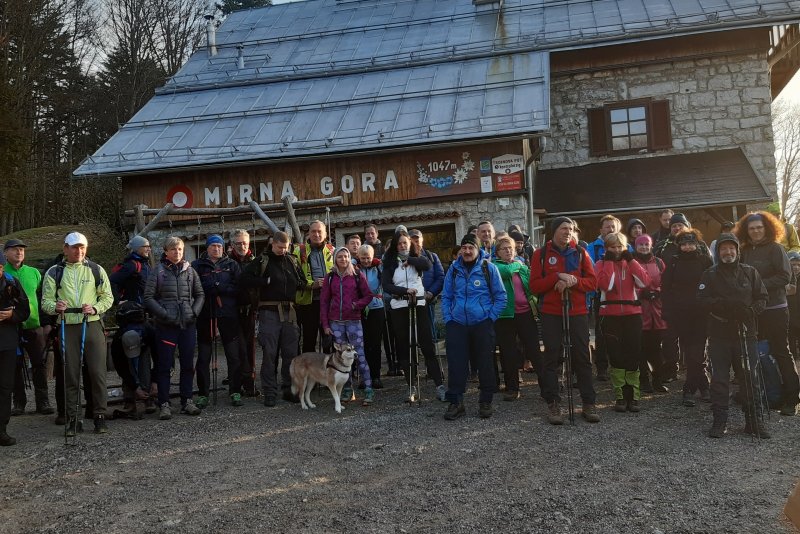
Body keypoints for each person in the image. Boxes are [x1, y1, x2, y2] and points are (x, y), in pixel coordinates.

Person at [697, 233, 770, 438]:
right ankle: (720, 421)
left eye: (731, 248)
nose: (727, 252)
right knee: (720, 379)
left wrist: (751, 310)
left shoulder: (750, 272)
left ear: (737, 251)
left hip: (746, 334)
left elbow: (763, 297)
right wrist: (721, 305)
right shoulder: (709, 274)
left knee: (749, 377)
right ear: (717, 252)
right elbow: (701, 300)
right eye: (723, 249)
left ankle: (753, 421)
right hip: (719, 334)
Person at [529, 217, 601, 424]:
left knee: (582, 357)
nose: (568, 232)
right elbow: (534, 286)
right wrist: (557, 277)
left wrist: (573, 281)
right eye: (563, 228)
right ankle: (553, 403)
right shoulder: (540, 255)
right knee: (552, 357)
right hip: (551, 313)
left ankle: (589, 402)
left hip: (577, 312)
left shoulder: (580, 252)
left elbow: (593, 283)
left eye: (570, 229)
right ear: (554, 231)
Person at [41, 232, 114, 435]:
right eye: (74, 247)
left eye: (82, 247)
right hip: (67, 325)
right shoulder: (54, 272)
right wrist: (56, 307)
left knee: (97, 373)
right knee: (70, 374)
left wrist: (96, 308)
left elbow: (108, 297)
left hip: (91, 324)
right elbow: (45, 302)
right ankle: (73, 418)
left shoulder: (96, 270)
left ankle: (99, 415)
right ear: (65, 248)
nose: (79, 251)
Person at [735, 211, 799, 415]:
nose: (755, 231)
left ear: (767, 228)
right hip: (755, 310)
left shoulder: (776, 249)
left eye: (759, 227)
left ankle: (791, 398)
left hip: (776, 309)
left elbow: (784, 277)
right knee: (758, 353)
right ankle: (767, 393)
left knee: (781, 351)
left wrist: (758, 285)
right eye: (752, 228)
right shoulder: (743, 250)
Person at [441, 233, 506, 420]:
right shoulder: (453, 270)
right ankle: (456, 403)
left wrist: (490, 318)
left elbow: (501, 297)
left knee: (485, 364)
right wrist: (449, 319)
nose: (467, 251)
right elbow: (446, 297)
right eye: (464, 248)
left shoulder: (489, 268)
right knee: (456, 364)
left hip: (482, 324)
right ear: (460, 250)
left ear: (478, 250)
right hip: (457, 324)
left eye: (471, 248)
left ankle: (485, 401)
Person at [240, 231, 307, 407]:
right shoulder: (262, 260)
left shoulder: (292, 260)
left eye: (286, 248)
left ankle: (289, 389)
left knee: (291, 354)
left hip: (290, 311)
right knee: (270, 354)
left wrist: (301, 284)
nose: (283, 251)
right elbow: (244, 279)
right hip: (269, 311)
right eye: (280, 247)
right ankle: (270, 392)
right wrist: (265, 281)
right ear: (273, 244)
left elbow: (301, 280)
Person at [144, 237, 205, 420]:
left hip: (187, 325)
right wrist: (163, 314)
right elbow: (148, 297)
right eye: (173, 250)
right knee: (164, 366)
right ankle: (164, 403)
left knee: (187, 364)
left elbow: (200, 294)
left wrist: (194, 313)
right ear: (166, 251)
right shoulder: (158, 272)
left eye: (180, 249)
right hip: (166, 327)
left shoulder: (191, 271)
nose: (177, 252)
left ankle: (187, 401)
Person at [382, 229, 446, 402]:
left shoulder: (418, 258)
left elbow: (427, 265)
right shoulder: (389, 262)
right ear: (395, 246)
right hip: (399, 305)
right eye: (400, 243)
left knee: (427, 345)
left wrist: (409, 260)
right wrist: (404, 290)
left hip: (419, 304)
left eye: (405, 243)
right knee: (404, 346)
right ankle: (411, 386)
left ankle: (439, 385)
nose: (402, 246)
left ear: (410, 244)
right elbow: (386, 285)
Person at [595, 233, 650, 412]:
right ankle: (620, 395)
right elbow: (607, 285)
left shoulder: (631, 263)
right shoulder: (600, 264)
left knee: (633, 354)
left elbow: (644, 282)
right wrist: (610, 262)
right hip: (610, 315)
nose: (617, 250)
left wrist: (632, 261)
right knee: (616, 356)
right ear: (607, 249)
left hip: (632, 315)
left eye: (620, 247)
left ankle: (633, 396)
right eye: (613, 247)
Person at [654, 212, 711, 383]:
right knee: (672, 339)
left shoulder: (701, 249)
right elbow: (661, 275)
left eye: (680, 225)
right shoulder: (663, 247)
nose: (677, 228)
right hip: (675, 302)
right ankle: (674, 369)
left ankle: (697, 375)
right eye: (673, 226)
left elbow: (710, 272)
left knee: (697, 342)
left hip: (699, 304)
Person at [192, 235, 244, 408]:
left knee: (233, 355)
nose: (216, 249)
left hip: (228, 314)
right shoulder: (197, 266)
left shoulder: (232, 265)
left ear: (223, 248)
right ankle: (203, 394)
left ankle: (235, 390)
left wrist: (223, 288)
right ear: (207, 248)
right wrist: (209, 288)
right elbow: (193, 287)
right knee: (204, 356)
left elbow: (240, 287)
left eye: (219, 246)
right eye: (213, 246)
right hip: (206, 314)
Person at [4, 239, 54, 416]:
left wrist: (46, 322)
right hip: (11, 327)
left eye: (22, 250)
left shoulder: (34, 273)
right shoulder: (3, 273)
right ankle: (19, 402)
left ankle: (43, 401)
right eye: (15, 250)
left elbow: (43, 299)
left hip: (34, 326)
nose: (19, 253)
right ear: (6, 253)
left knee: (39, 363)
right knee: (15, 365)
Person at [321, 247, 374, 405]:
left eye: (345, 256)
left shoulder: (357, 275)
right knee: (342, 359)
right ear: (335, 259)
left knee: (360, 356)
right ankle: (347, 390)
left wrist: (356, 305)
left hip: (353, 321)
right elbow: (323, 302)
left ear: (349, 258)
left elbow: (369, 296)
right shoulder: (330, 277)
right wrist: (325, 324)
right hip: (335, 322)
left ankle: (369, 390)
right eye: (340, 257)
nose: (343, 259)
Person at [492, 235, 540, 401]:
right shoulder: (494, 266)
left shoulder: (521, 266)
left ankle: (547, 387)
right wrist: (518, 265)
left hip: (525, 313)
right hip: (505, 315)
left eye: (510, 248)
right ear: (497, 252)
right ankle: (512, 388)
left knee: (534, 349)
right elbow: (505, 272)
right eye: (504, 248)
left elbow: (532, 285)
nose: (508, 251)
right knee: (508, 352)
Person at [588, 214, 623, 382]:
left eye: (614, 226)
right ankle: (602, 367)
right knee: (601, 333)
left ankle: (620, 366)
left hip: (622, 296)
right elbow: (590, 271)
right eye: (608, 226)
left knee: (621, 332)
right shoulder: (592, 248)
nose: (611, 229)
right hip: (600, 296)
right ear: (601, 229)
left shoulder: (626, 247)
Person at [633, 235, 669, 393]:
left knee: (656, 349)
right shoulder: (631, 263)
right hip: (640, 310)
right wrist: (642, 293)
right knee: (641, 349)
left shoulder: (659, 263)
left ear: (651, 245)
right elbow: (628, 284)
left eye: (646, 244)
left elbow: (667, 283)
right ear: (635, 246)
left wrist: (658, 292)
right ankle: (644, 380)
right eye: (640, 245)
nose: (643, 247)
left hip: (658, 310)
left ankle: (657, 380)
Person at [294, 220, 334, 353]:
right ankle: (309, 373)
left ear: (325, 234)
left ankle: (328, 372)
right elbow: (294, 278)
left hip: (329, 303)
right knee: (309, 340)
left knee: (329, 339)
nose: (316, 234)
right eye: (313, 231)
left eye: (319, 231)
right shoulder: (298, 251)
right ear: (309, 233)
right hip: (308, 303)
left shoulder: (332, 251)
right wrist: (312, 285)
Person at [0, 263, 29, 445]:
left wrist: (12, 316)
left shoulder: (12, 283)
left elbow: (25, 310)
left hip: (7, 342)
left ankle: (1, 430)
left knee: (4, 387)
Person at [228, 229, 258, 396]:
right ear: (232, 245)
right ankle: (236, 384)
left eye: (244, 243)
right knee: (236, 349)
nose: (242, 246)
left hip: (250, 311)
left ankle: (249, 383)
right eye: (238, 243)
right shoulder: (226, 262)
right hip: (232, 311)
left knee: (250, 348)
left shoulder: (255, 261)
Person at [409, 229, 444, 343]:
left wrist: (430, 293)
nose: (416, 242)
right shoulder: (405, 259)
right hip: (410, 300)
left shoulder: (432, 257)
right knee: (412, 330)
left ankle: (430, 352)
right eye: (412, 240)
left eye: (417, 239)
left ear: (422, 241)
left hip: (428, 300)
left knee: (429, 329)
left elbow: (440, 277)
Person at [357, 244, 385, 388]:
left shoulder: (378, 268)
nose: (366, 260)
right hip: (361, 308)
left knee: (375, 343)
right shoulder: (356, 269)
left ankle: (376, 376)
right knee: (363, 344)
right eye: (363, 257)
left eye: (368, 257)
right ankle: (364, 376)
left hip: (376, 307)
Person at [110, 235, 152, 305]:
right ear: (137, 248)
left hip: (147, 306)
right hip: (135, 309)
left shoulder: (145, 264)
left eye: (149, 246)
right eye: (146, 246)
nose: (149, 249)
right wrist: (116, 301)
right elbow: (112, 281)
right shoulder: (131, 265)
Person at [788, 252, 800, 359]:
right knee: (790, 347)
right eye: (793, 265)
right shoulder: (784, 280)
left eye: (798, 265)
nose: (796, 267)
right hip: (788, 318)